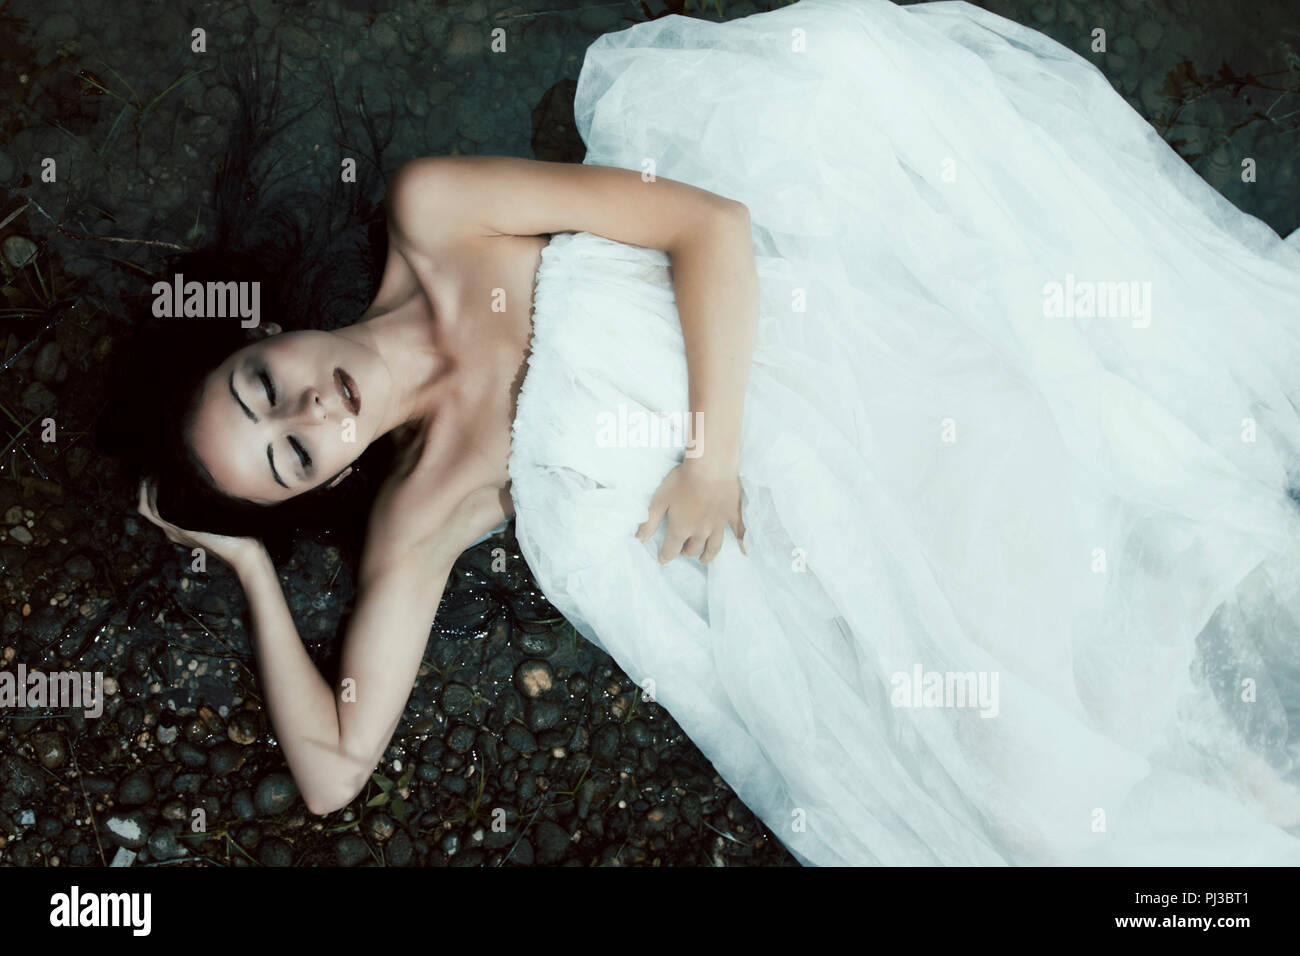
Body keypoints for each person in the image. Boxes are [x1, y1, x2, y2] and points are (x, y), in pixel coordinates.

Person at [134, 0, 1300, 865]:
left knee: (1138, 556)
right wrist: (248, 567)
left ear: (266, 331)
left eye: (260, 384)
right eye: (292, 458)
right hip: (829, 541)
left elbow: (710, 225)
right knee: (1036, 804)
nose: (308, 414)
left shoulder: (437, 211)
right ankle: (1251, 795)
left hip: (875, 383)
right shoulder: (421, 508)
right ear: (321, 483)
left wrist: (712, 452)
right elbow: (335, 771)